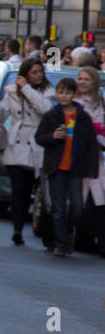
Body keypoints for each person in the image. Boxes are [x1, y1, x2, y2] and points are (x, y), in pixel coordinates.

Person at [0, 58, 51, 245]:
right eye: (34, 72)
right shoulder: (12, 91)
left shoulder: (47, 91)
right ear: (25, 74)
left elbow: (45, 109)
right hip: (16, 143)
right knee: (17, 189)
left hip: (35, 143)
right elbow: (2, 113)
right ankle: (17, 229)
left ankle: (22, 224)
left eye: (40, 72)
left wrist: (27, 89)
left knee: (27, 190)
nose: (38, 75)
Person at [35, 78, 99, 256]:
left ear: (73, 94)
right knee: (59, 207)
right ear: (56, 94)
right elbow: (39, 137)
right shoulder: (51, 115)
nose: (63, 96)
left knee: (77, 207)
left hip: (75, 168)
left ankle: (67, 231)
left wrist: (92, 169)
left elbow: (91, 145)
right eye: (61, 92)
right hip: (56, 168)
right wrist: (52, 136)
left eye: (68, 92)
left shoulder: (82, 117)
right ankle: (62, 242)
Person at [69, 67, 105, 255]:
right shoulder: (72, 102)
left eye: (86, 79)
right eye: (80, 79)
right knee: (77, 202)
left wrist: (99, 132)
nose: (82, 82)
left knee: (98, 202)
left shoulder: (101, 103)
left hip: (95, 157)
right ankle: (71, 238)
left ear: (94, 82)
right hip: (76, 157)